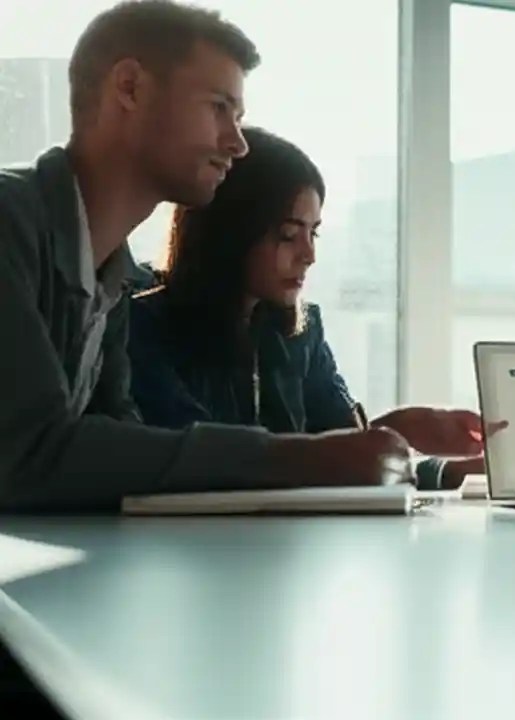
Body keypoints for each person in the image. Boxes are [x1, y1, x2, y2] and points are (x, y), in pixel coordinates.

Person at [0, 0, 411, 511]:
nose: (237, 143)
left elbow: (116, 446)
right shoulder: (9, 225)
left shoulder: (112, 276)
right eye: (219, 107)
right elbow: (31, 452)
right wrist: (293, 458)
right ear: (129, 87)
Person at [129, 126, 492, 489]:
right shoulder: (144, 326)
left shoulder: (302, 331)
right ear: (231, 233)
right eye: (289, 235)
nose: (309, 255)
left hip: (284, 538)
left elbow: (344, 449)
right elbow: (204, 460)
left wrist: (437, 464)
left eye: (313, 233)